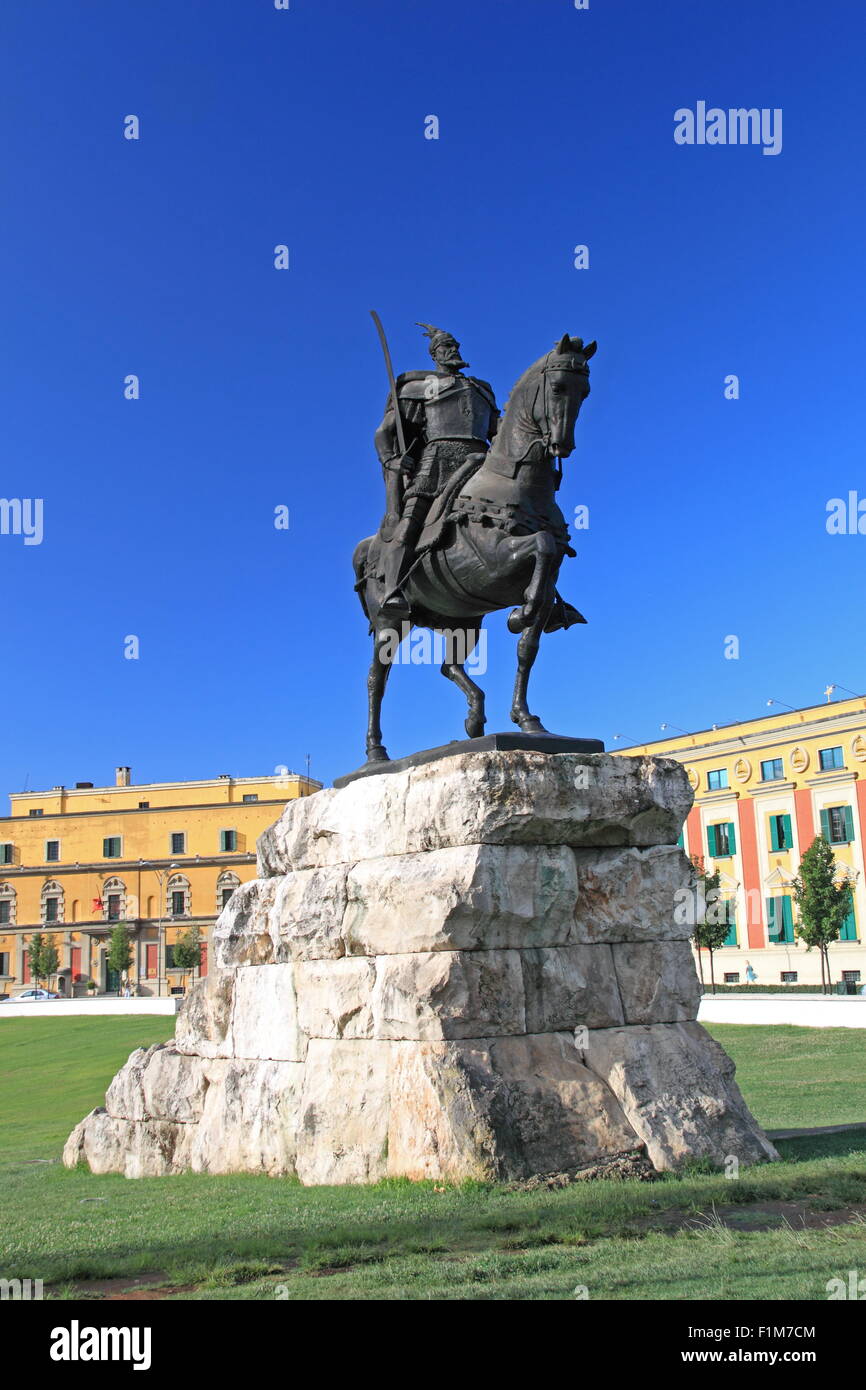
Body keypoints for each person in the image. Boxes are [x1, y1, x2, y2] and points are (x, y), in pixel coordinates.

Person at [373, 322, 499, 618]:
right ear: (435, 355)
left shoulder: (482, 391)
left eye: (455, 346)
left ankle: (551, 598)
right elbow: (385, 432)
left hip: (481, 460)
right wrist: (391, 459)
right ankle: (393, 589)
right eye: (446, 347)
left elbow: (497, 431)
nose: (453, 350)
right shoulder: (419, 387)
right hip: (437, 462)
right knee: (409, 523)